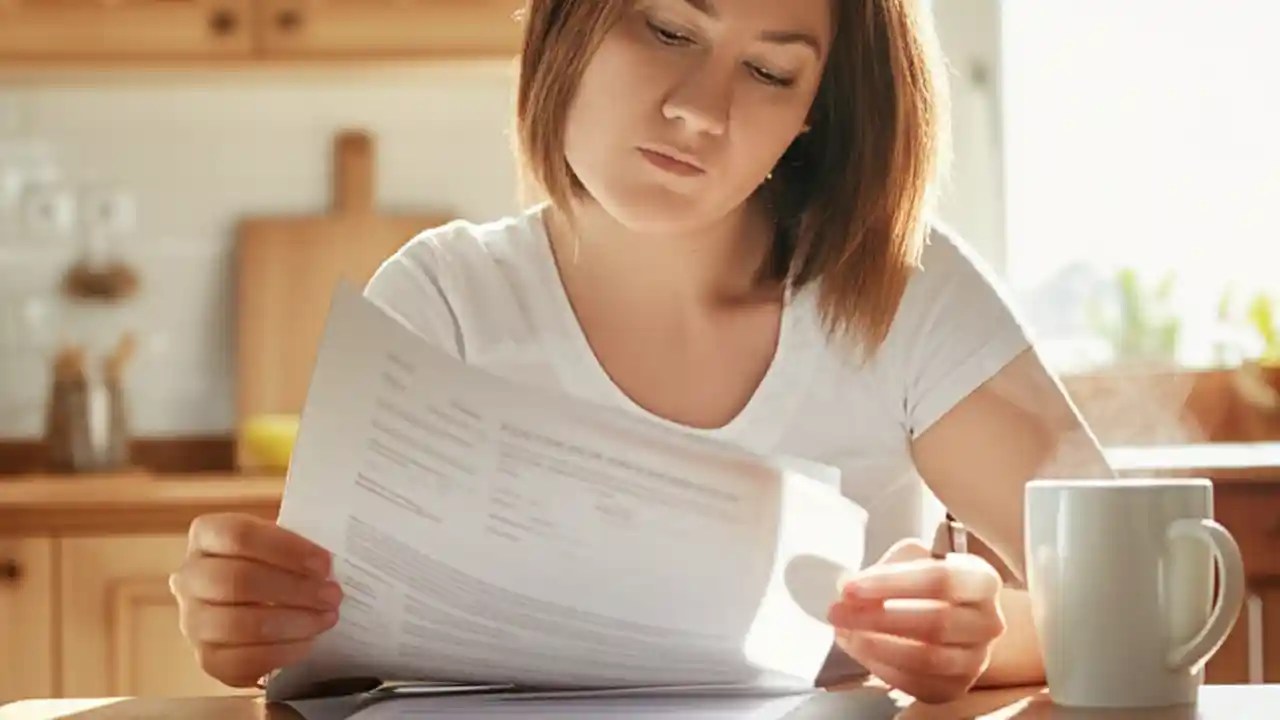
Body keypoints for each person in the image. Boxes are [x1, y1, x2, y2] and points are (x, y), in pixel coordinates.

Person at [170, 0, 1114, 704]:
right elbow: (323, 657)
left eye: (772, 72)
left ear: (814, 113)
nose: (701, 110)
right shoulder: (445, 300)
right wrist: (240, 621)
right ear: (567, 23)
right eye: (668, 29)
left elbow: (1141, 596)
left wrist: (978, 637)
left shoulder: (896, 287)